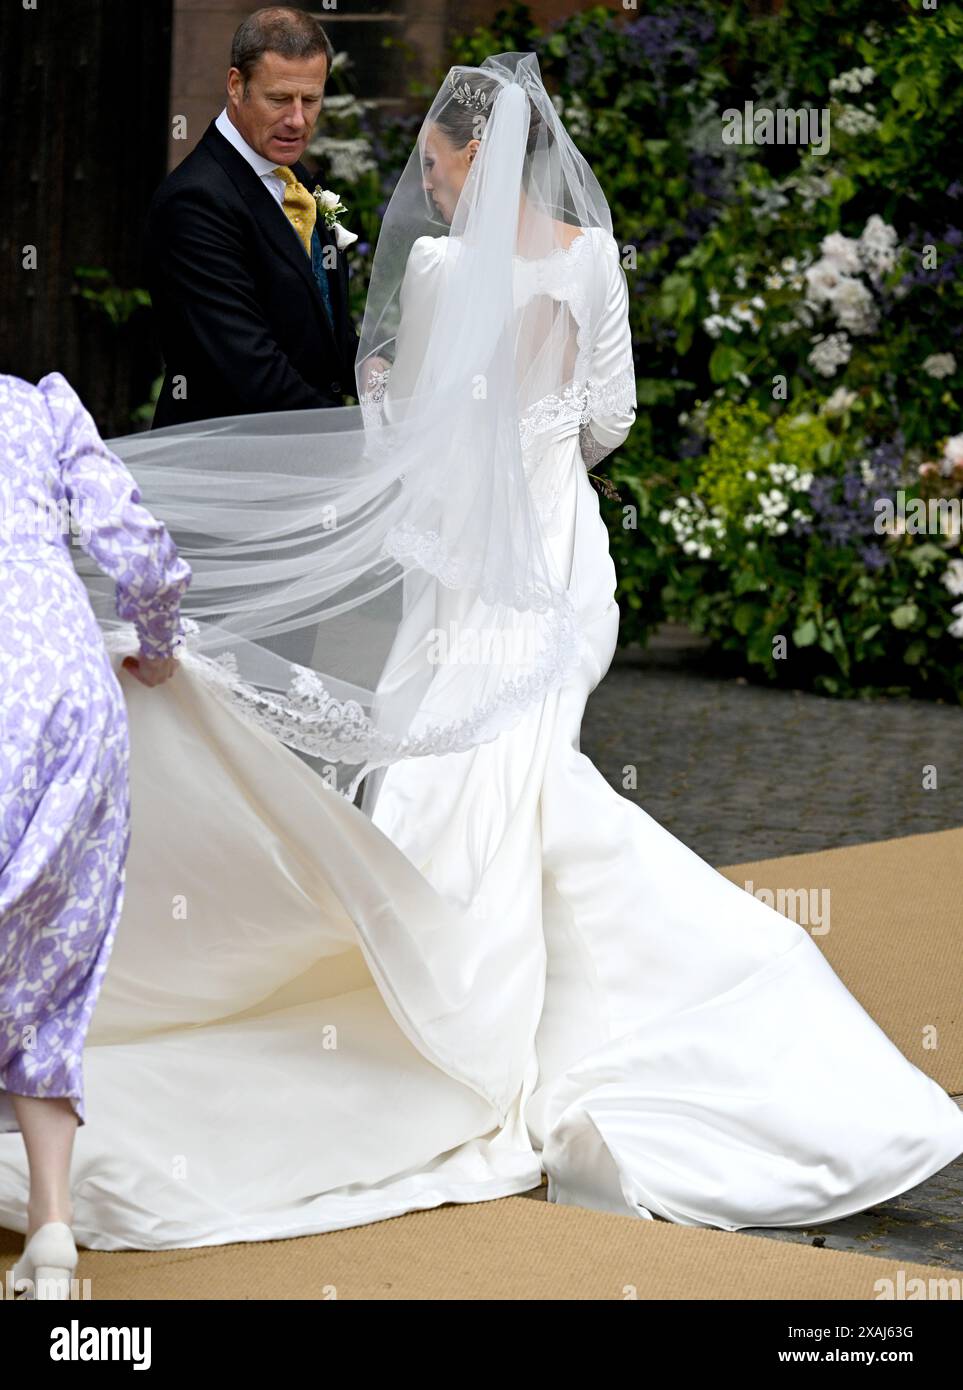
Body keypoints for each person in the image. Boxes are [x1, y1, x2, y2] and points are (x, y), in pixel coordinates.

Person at [0, 53, 960, 1261]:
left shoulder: (450, 271)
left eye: (440, 169)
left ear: (468, 156)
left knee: (484, 788)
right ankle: (692, 1020)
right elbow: (607, 418)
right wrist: (540, 432)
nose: (435, 193)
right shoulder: (595, 258)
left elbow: (414, 429)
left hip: (466, 581)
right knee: (530, 786)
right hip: (560, 562)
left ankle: (474, 1015)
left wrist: (404, 392)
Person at [0, 371, 191, 1295]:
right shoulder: (42, 407)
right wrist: (155, 647)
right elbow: (140, 552)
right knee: (48, 967)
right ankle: (52, 1237)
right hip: (65, 694)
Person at [144, 7, 360, 428]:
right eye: (279, 99)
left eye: (311, 100)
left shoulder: (294, 177)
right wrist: (355, 441)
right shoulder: (195, 201)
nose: (297, 120)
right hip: (230, 467)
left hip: (300, 463)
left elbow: (321, 326)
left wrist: (383, 373)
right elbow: (253, 371)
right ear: (236, 85)